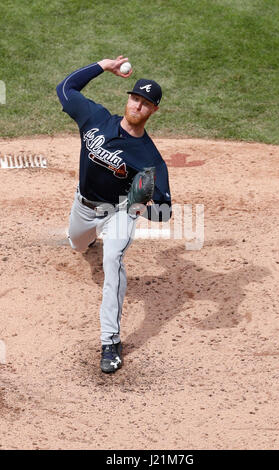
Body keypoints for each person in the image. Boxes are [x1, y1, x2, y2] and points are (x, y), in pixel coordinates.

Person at [56, 55, 172, 373]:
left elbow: (165, 212)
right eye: (135, 98)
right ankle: (86, 240)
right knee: (78, 245)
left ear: (153, 111)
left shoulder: (150, 159)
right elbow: (65, 88)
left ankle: (110, 342)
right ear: (129, 99)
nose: (137, 106)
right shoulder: (95, 117)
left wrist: (138, 203)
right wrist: (101, 66)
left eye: (145, 103)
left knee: (113, 259)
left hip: (119, 210)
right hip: (84, 204)